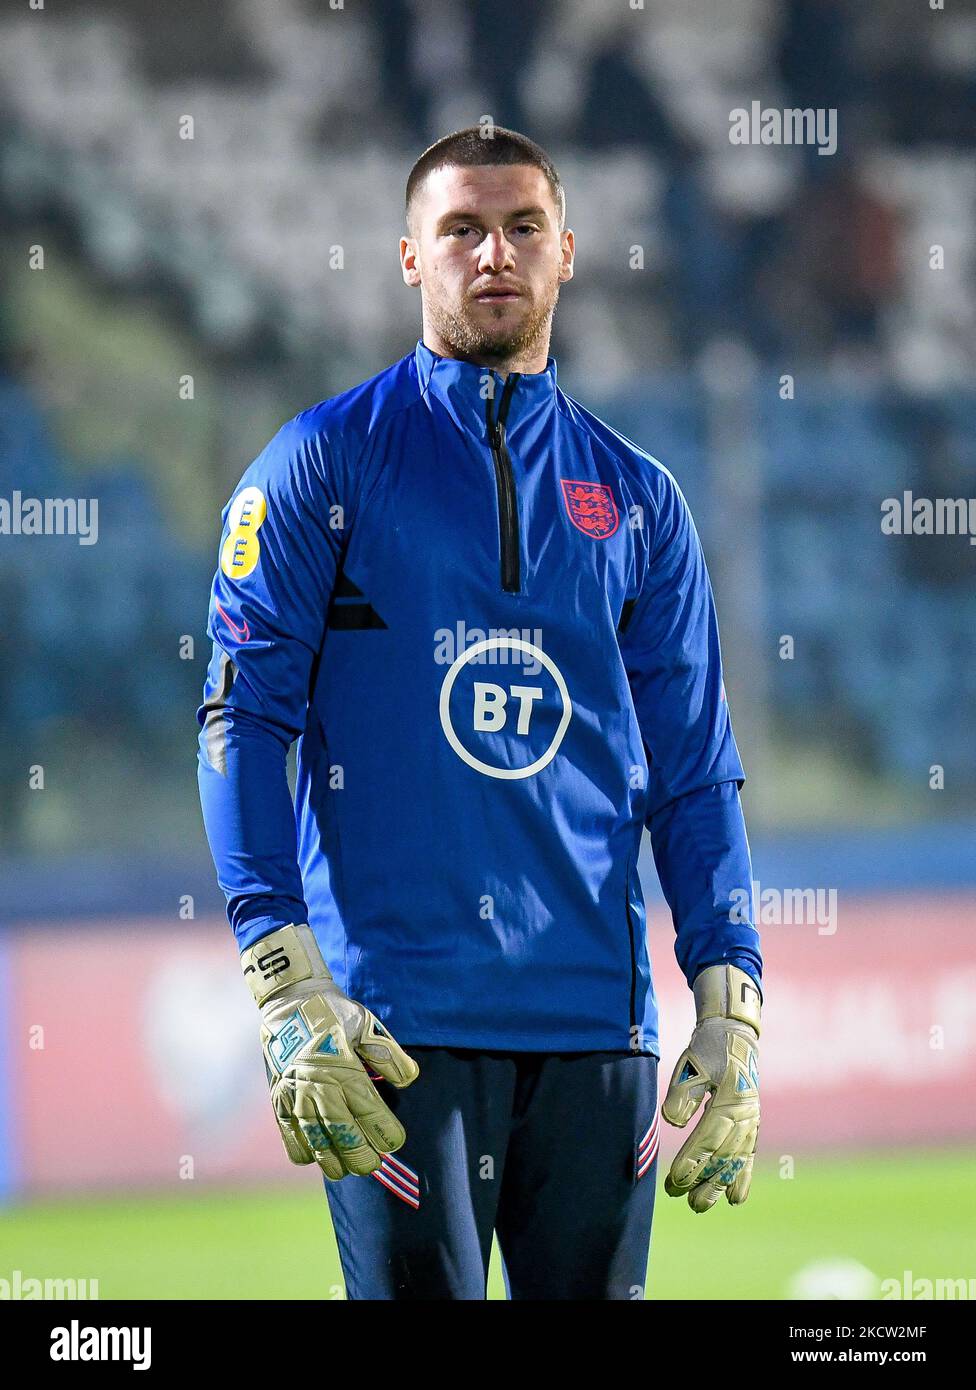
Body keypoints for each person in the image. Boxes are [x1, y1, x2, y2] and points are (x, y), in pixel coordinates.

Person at [197, 125, 763, 1301]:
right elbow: (241, 723)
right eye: (460, 228)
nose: (491, 253)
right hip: (391, 1029)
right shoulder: (319, 466)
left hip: (598, 1034)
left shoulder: (641, 501)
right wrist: (286, 978)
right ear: (410, 255)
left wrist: (730, 997)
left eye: (520, 228)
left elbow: (695, 775)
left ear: (568, 252)